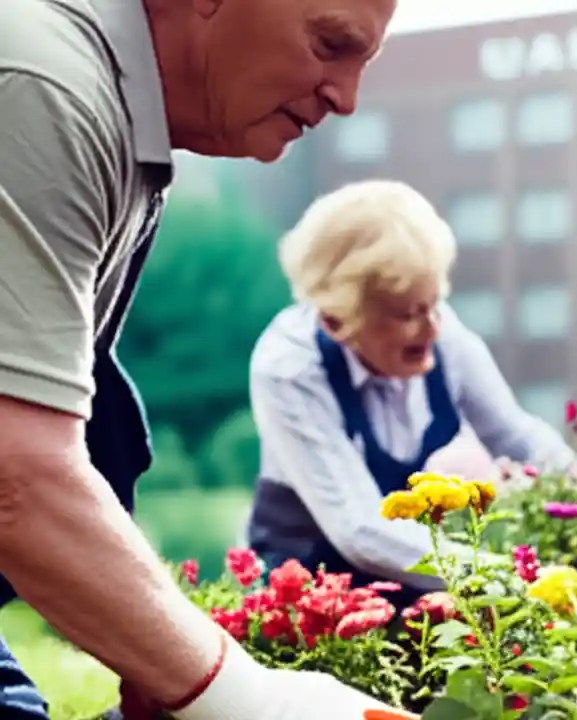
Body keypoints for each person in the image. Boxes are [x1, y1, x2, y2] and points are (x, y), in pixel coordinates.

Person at [0, 0, 415, 718]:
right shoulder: (46, 86)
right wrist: (249, 697)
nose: (344, 99)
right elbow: (14, 473)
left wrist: (177, 664)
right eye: (329, 44)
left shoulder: (117, 117)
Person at [245, 179, 576, 606]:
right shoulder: (289, 368)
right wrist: (504, 576)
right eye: (407, 314)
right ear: (336, 321)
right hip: (309, 592)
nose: (433, 326)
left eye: (435, 303)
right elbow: (358, 527)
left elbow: (518, 438)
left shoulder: (442, 333)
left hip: (404, 574)